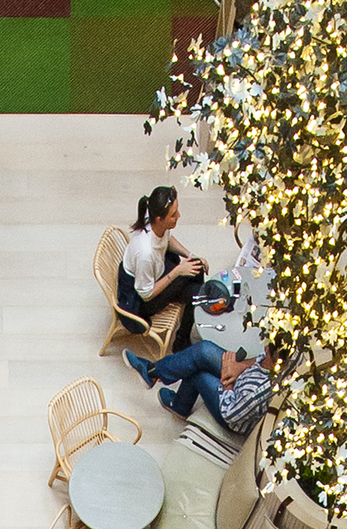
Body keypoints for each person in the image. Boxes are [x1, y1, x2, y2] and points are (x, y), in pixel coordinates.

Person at [125, 340, 279, 433]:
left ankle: (179, 405)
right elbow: (261, 359)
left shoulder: (260, 392)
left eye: (267, 348)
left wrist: (228, 381)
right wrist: (240, 366)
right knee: (203, 350)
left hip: (231, 407)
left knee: (198, 374)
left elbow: (231, 414)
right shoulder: (280, 356)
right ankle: (152, 371)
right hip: (241, 378)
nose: (264, 347)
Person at [117, 186, 206, 346]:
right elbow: (146, 293)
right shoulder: (146, 254)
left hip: (155, 273)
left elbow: (167, 239)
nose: (178, 216)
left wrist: (190, 255)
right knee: (197, 292)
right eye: (173, 215)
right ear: (160, 219)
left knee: (196, 267)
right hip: (142, 300)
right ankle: (181, 340)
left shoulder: (155, 224)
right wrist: (178, 271)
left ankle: (194, 306)